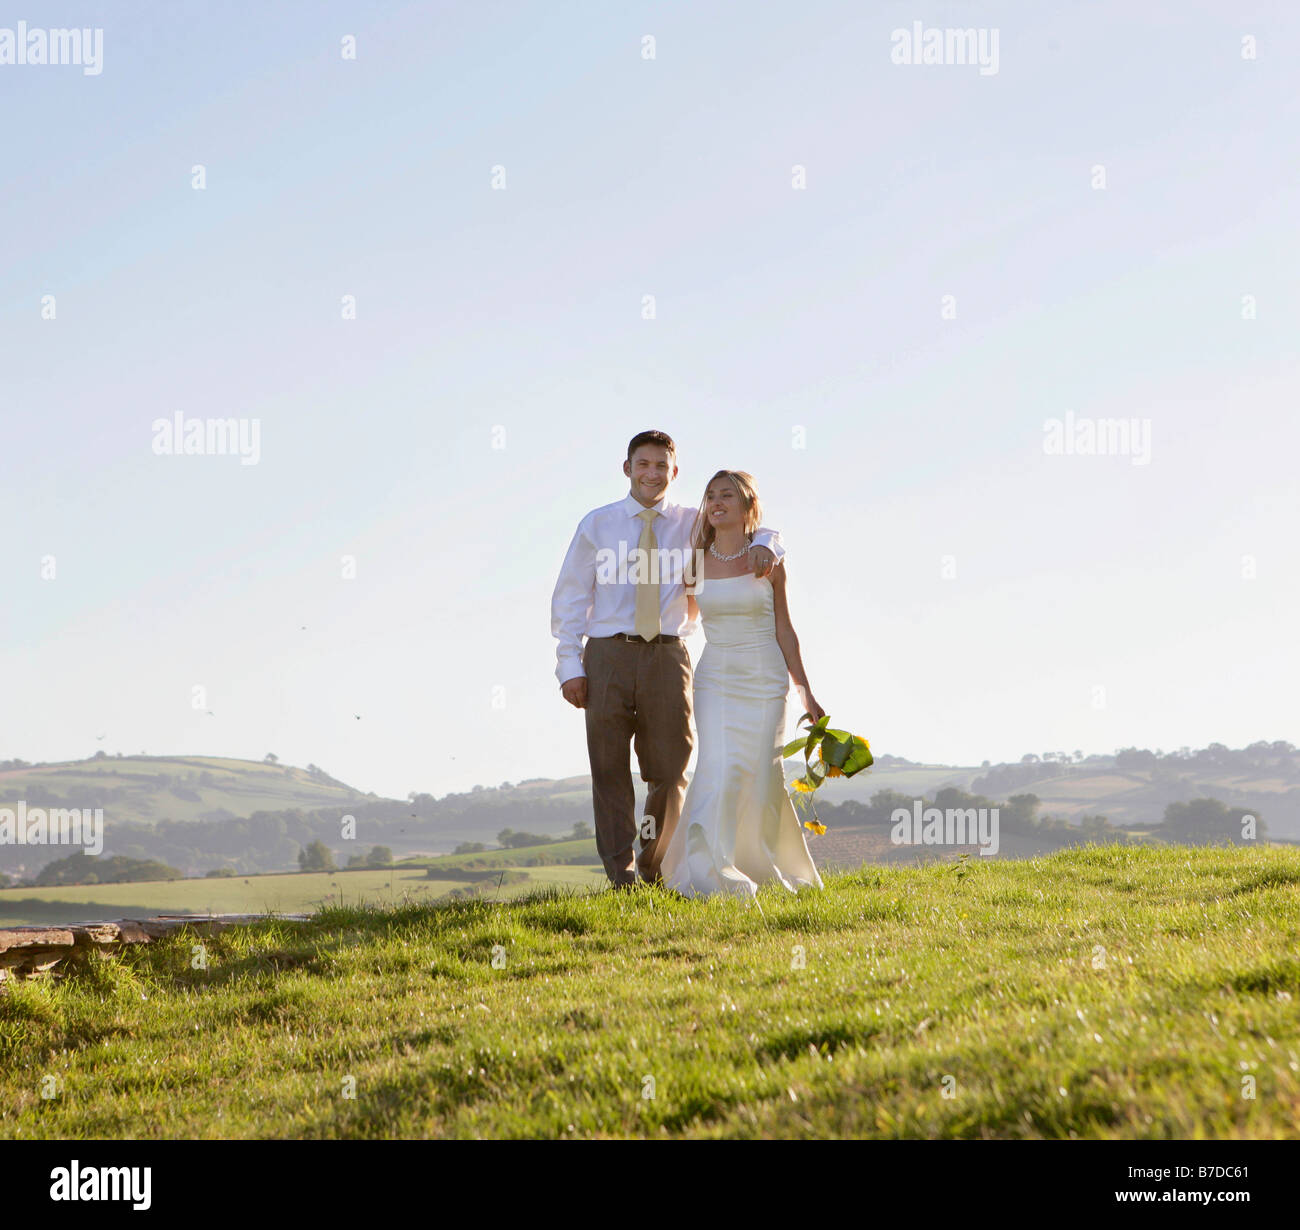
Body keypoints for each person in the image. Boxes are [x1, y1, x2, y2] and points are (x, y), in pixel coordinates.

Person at [551, 430, 785, 887]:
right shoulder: (596, 525)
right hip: (606, 656)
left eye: (662, 466)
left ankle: (653, 865)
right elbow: (570, 599)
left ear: (674, 472)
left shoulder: (693, 522)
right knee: (608, 770)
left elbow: (751, 522)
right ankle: (620, 876)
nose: (652, 473)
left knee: (670, 769)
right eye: (644, 464)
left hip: (667, 656)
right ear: (628, 469)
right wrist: (569, 667)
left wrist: (771, 544)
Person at [659, 469, 825, 899]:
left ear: (748, 505)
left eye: (727, 495)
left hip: (767, 679)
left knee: (762, 774)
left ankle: (762, 861)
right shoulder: (694, 565)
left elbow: (785, 630)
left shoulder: (768, 561)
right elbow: (680, 620)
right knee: (721, 768)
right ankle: (712, 869)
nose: (716, 502)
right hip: (715, 679)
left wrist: (806, 690)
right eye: (710, 495)